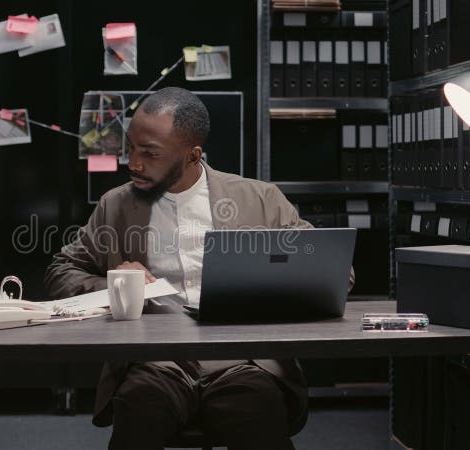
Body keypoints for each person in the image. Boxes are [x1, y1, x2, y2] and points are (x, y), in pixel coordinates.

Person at [45, 87, 353, 450]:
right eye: (131, 148)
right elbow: (61, 270)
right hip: (154, 360)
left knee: (259, 416)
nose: (134, 163)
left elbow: (337, 274)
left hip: (241, 359)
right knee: (137, 417)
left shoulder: (259, 199)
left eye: (150, 154)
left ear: (192, 156)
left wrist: (267, 286)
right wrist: (117, 284)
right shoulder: (117, 206)